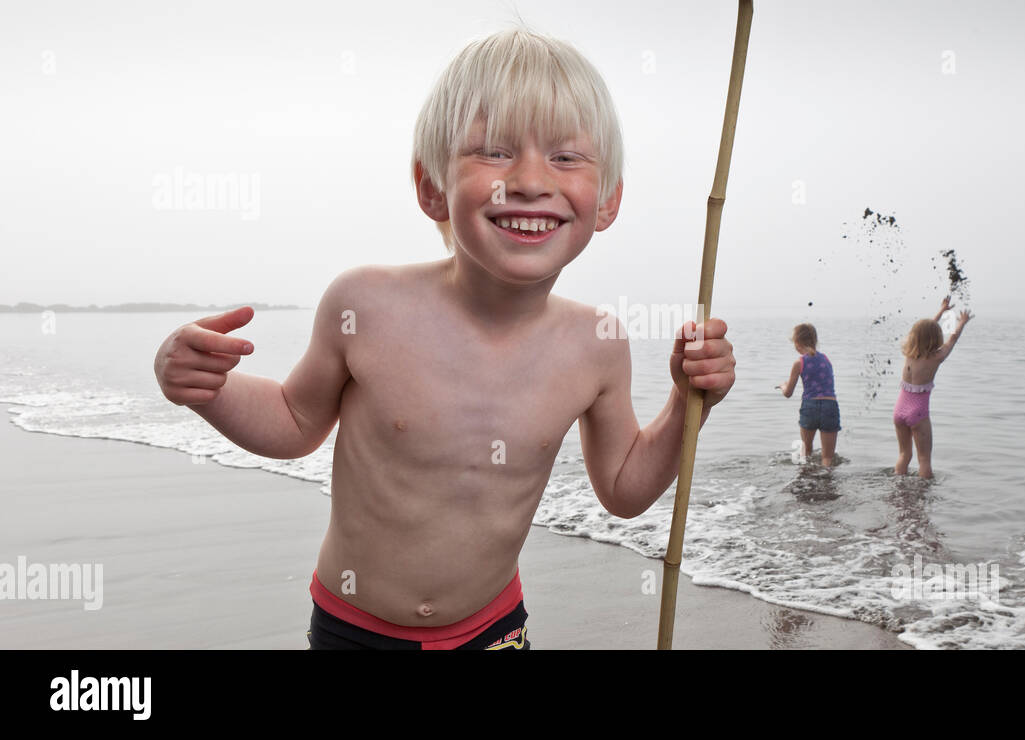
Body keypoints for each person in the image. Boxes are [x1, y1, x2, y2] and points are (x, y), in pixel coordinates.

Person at [151, 27, 737, 650]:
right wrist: (206, 389)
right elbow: (294, 421)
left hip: (493, 632)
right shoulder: (365, 305)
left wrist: (686, 403)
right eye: (495, 152)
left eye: (566, 157)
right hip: (354, 630)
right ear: (432, 187)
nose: (532, 180)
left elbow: (623, 490)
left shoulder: (597, 341)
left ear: (607, 202)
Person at [893, 296, 971, 479]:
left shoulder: (908, 352)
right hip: (917, 413)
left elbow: (920, 334)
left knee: (904, 455)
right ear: (936, 338)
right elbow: (952, 337)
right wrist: (961, 322)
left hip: (898, 411)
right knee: (924, 460)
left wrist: (941, 311)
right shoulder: (935, 358)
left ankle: (898, 487)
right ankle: (923, 497)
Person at [776, 323, 839, 466]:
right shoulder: (826, 359)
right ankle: (827, 484)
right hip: (830, 405)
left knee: (806, 451)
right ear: (814, 341)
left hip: (810, 406)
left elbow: (788, 393)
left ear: (797, 343)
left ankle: (806, 481)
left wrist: (782, 386)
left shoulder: (799, 362)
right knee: (828, 457)